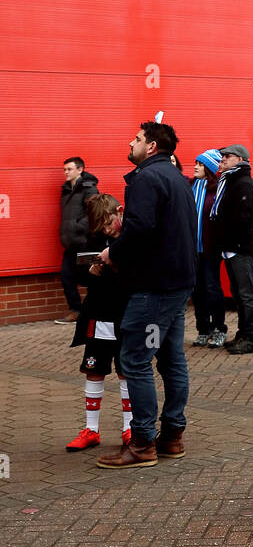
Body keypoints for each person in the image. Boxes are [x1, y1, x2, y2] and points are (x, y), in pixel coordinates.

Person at [94, 120, 197, 468]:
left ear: (151, 147)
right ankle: (172, 436)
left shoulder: (145, 179)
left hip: (153, 288)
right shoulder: (178, 180)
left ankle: (141, 443)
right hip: (176, 284)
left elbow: (140, 229)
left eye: (137, 138)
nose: (131, 141)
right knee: (170, 360)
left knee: (135, 360)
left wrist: (112, 253)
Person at [65, 194, 132, 452]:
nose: (106, 229)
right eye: (101, 226)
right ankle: (91, 430)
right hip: (98, 315)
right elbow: (77, 274)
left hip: (127, 315)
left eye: (109, 223)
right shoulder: (91, 240)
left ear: (120, 212)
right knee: (94, 370)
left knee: (127, 370)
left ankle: (130, 427)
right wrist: (90, 272)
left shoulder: (132, 238)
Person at [211, 146, 253, 355]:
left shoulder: (242, 183)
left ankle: (250, 338)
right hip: (232, 248)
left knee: (247, 294)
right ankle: (243, 334)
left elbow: (243, 220)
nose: (222, 160)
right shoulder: (231, 181)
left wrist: (231, 241)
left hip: (239, 248)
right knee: (239, 295)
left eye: (227, 156)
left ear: (239, 159)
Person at [190, 149, 227, 347]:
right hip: (192, 250)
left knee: (212, 289)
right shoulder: (191, 186)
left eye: (200, 164)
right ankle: (203, 329)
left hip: (210, 249)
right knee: (197, 290)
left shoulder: (217, 189)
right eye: (196, 163)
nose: (195, 167)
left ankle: (219, 328)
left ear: (210, 168)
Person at [56, 157, 99, 322]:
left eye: (69, 169)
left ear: (80, 170)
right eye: (65, 169)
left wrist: (77, 227)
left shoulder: (89, 188)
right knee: (67, 276)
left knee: (89, 277)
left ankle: (93, 310)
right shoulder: (66, 189)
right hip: (71, 243)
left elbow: (94, 212)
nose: (66, 172)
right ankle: (76, 310)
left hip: (85, 242)